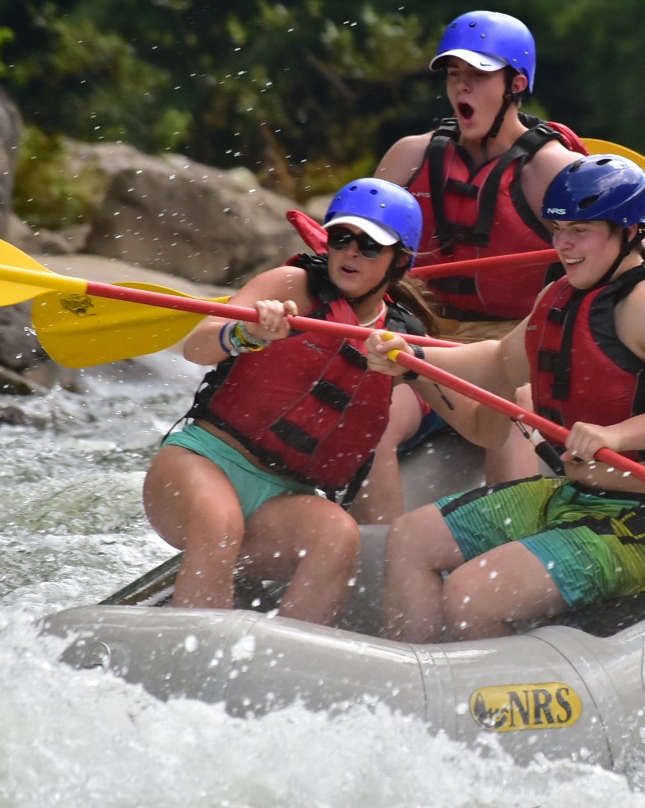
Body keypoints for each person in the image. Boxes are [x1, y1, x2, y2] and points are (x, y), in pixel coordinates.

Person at [365, 154, 645, 643]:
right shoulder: (562, 296)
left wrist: (618, 435)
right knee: (412, 537)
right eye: (557, 228)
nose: (561, 244)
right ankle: (417, 678)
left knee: (474, 592)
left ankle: (490, 710)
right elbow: (499, 361)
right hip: (571, 496)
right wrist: (411, 357)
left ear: (629, 231)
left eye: (579, 230)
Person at [142, 178, 439, 626]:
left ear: (399, 261)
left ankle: (292, 667)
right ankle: (195, 658)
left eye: (370, 246)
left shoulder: (402, 336)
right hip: (203, 462)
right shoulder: (292, 284)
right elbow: (198, 346)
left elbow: (470, 415)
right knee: (218, 522)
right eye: (342, 237)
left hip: (283, 497)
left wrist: (412, 365)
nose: (351, 252)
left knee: (337, 535)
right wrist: (248, 333)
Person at [368, 10, 585, 509]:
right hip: (422, 334)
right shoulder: (410, 158)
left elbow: (623, 261)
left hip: (522, 340)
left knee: (511, 403)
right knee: (369, 409)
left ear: (516, 84)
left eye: (479, 75)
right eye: (454, 75)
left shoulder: (551, 171)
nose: (462, 87)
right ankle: (374, 554)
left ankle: (511, 537)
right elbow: (350, 253)